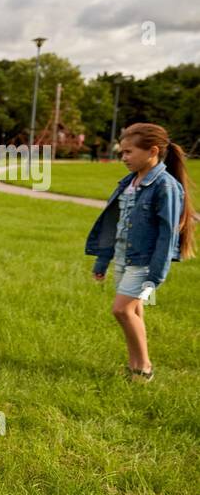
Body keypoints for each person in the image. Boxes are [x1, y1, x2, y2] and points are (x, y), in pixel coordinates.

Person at [85, 122, 193, 382]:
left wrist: (156, 274)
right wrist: (102, 261)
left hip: (144, 263)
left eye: (128, 152)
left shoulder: (165, 186)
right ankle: (134, 364)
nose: (123, 158)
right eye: (122, 152)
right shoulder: (130, 182)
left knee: (121, 310)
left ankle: (143, 368)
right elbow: (114, 224)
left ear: (152, 151)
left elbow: (167, 233)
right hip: (124, 257)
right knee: (134, 311)